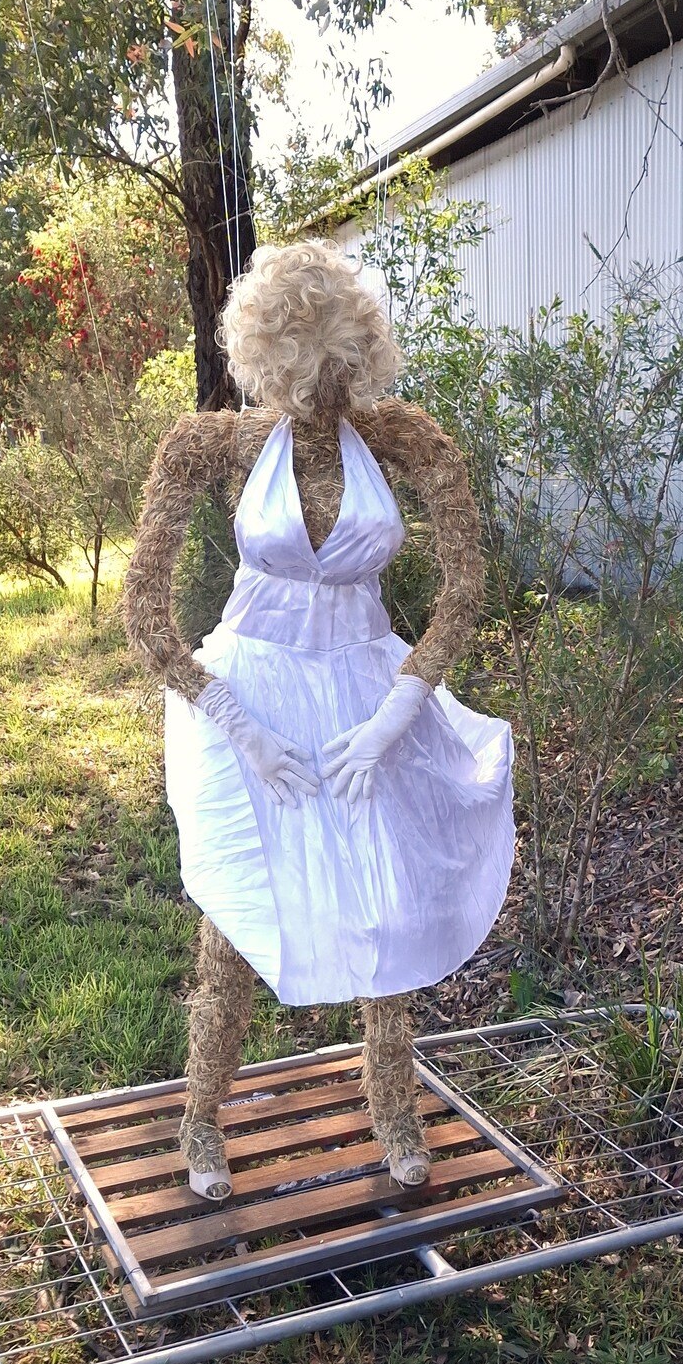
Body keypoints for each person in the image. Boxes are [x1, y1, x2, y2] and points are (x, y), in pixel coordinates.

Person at [124, 241, 514, 1202]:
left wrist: (401, 707)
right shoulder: (210, 444)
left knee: (386, 898)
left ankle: (392, 1107)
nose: (324, 392)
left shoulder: (405, 438)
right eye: (309, 370)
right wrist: (232, 720)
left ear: (360, 356)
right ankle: (201, 1117)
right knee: (235, 919)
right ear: (271, 359)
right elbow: (144, 613)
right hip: (251, 699)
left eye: (342, 369)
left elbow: (466, 586)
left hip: (367, 697)